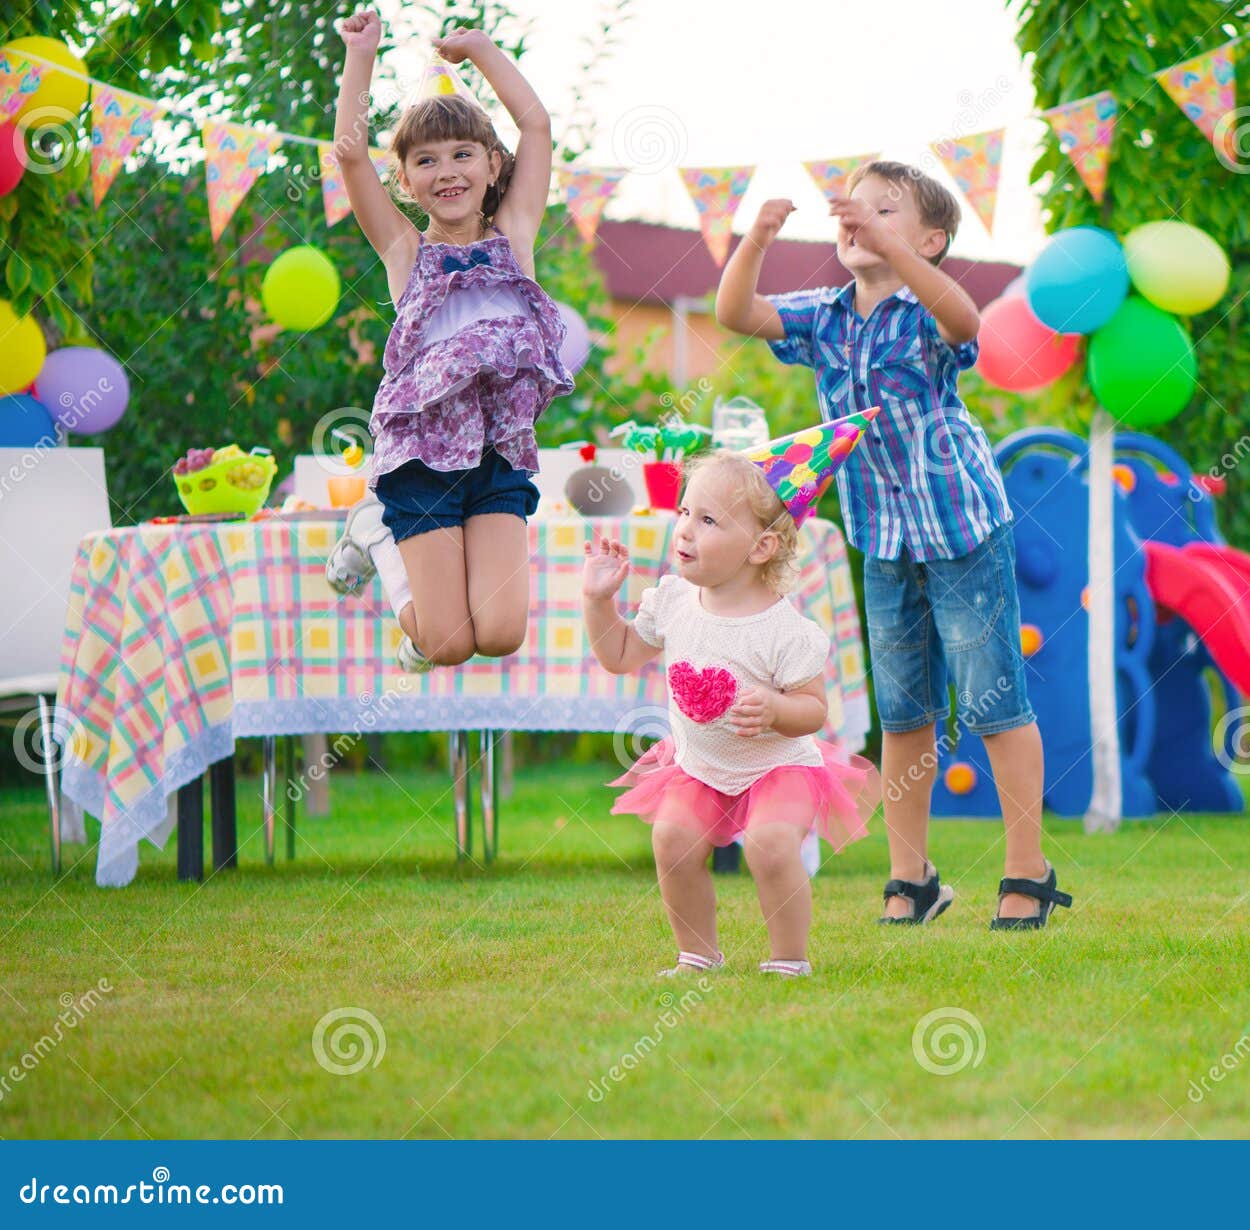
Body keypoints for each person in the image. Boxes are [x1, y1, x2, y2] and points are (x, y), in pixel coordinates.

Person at [713, 160, 1071, 930]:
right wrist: (758, 238)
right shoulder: (826, 315)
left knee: (992, 704)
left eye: (887, 210)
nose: (861, 220)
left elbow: (966, 322)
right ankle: (913, 877)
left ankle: (1027, 872)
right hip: (883, 539)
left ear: (931, 240)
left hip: (963, 531)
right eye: (856, 210)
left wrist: (897, 253)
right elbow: (736, 313)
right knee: (904, 716)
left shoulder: (925, 308)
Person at [583, 423, 881, 977]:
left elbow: (815, 711)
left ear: (761, 545)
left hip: (779, 765)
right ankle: (698, 955)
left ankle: (789, 960)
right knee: (672, 839)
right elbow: (619, 654)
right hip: (700, 765)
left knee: (769, 844)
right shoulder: (674, 600)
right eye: (685, 513)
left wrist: (775, 707)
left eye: (709, 520)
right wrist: (599, 602)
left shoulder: (783, 627)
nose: (686, 531)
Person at [323, 10, 572, 671]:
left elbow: (538, 124)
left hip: (497, 451)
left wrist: (482, 50)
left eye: (463, 154)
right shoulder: (405, 252)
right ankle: (378, 536)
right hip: (420, 461)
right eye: (426, 161)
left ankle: (387, 544)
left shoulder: (515, 234)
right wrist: (361, 54)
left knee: (499, 634)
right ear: (406, 181)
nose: (447, 170)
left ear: (493, 166)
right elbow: (350, 153)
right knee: (447, 645)